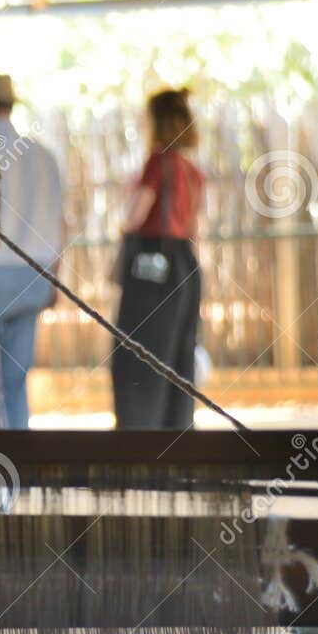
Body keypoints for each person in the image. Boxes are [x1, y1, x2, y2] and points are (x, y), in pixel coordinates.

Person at [112, 88, 205, 429]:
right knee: (178, 360)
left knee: (140, 359)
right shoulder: (192, 171)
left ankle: (139, 443)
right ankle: (176, 440)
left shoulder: (158, 163)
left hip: (153, 267)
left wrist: (126, 207)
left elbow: (136, 216)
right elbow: (194, 226)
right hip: (185, 267)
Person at [0, 76, 66, 428]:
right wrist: (55, 279)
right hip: (34, 276)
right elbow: (61, 222)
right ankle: (14, 469)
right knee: (17, 383)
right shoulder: (43, 156)